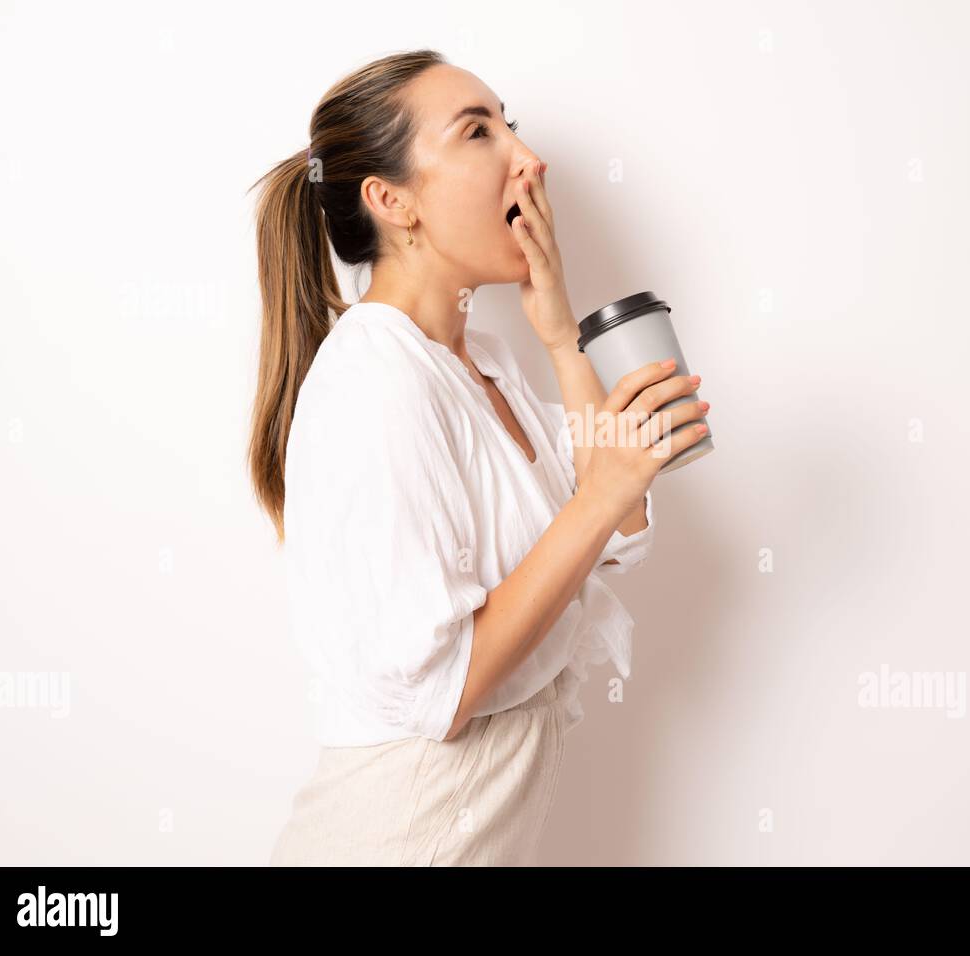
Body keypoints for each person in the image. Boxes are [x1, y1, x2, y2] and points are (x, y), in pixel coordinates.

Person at [247, 49, 711, 865]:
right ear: (392, 201)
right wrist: (600, 496)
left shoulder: (483, 360)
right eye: (477, 133)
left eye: (512, 127)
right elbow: (446, 687)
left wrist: (562, 334)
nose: (529, 161)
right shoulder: (374, 376)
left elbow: (621, 533)